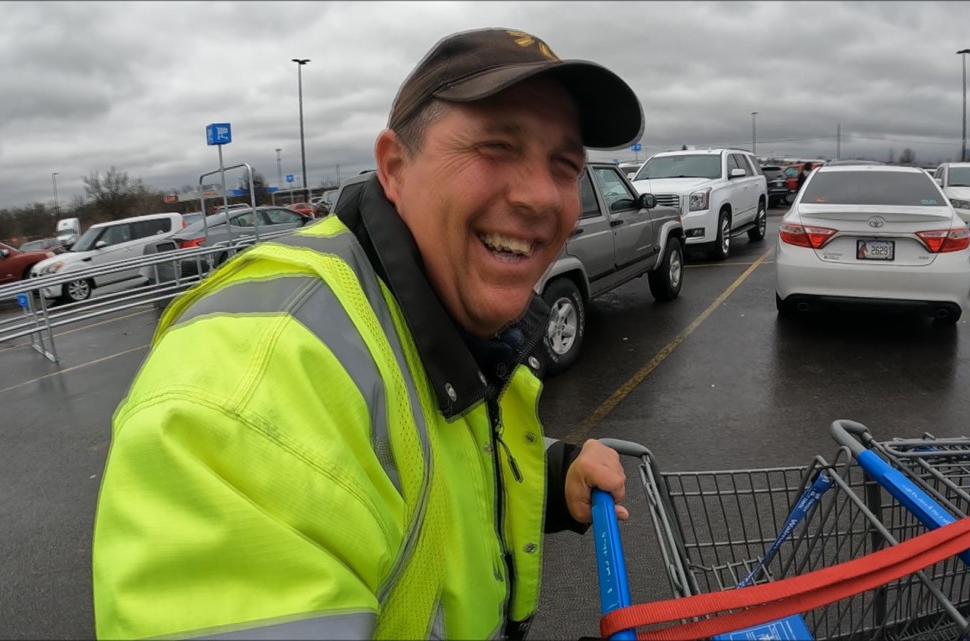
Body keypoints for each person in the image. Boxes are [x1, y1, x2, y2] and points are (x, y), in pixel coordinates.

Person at [92, 27, 644, 640]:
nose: (543, 196)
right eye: (496, 147)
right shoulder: (250, 393)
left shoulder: (435, 310)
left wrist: (549, 475)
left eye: (564, 165)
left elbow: (417, 464)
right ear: (395, 168)